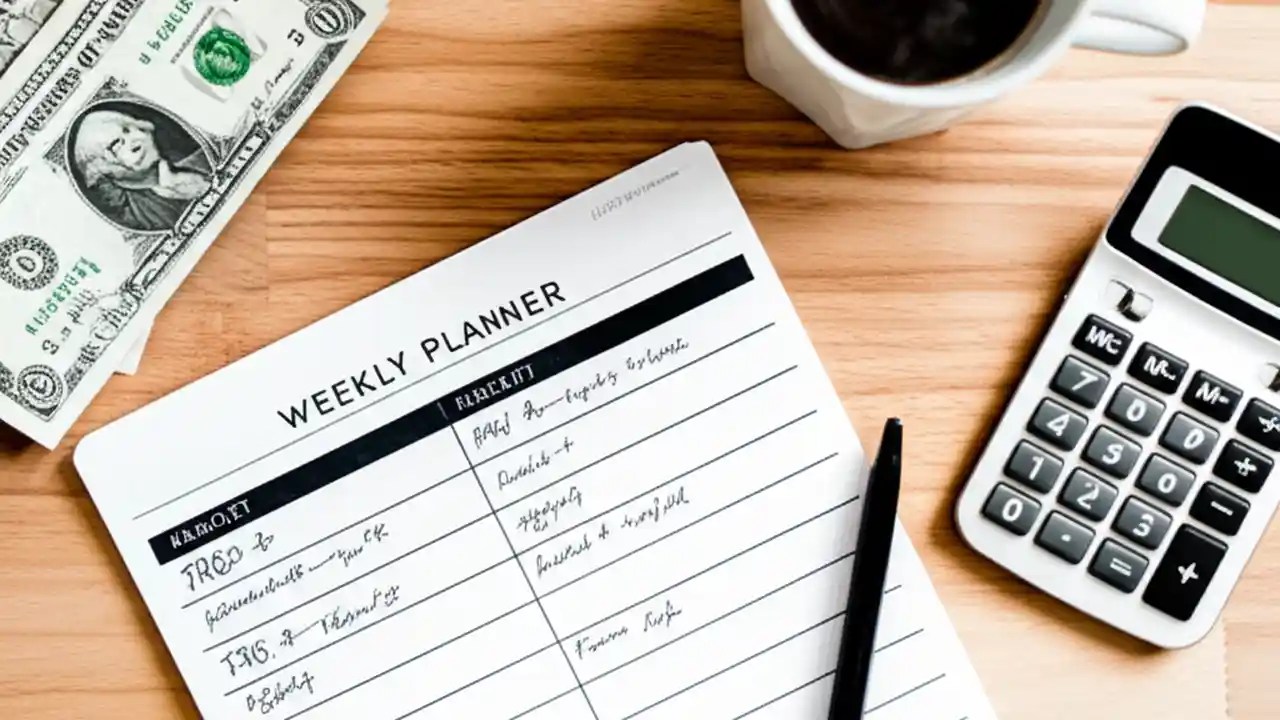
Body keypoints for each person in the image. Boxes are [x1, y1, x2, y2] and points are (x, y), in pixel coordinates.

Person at [72, 108, 212, 232]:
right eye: (115, 146)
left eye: (127, 130)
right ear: (103, 171)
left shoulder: (202, 158)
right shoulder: (137, 216)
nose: (135, 143)